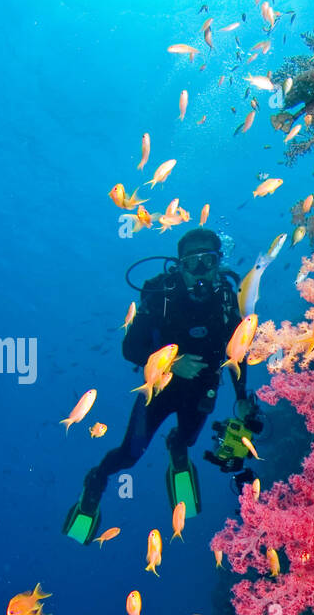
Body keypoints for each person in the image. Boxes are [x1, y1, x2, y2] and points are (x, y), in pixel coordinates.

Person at [64, 228, 259, 543]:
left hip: (202, 392)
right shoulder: (161, 297)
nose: (200, 271)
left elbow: (239, 353)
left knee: (187, 440)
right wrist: (172, 362)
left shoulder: (227, 301)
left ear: (218, 263)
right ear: (179, 265)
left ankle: (176, 448)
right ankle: (96, 480)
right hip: (158, 392)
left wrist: (242, 398)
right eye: (191, 263)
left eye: (207, 262)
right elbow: (130, 349)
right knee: (129, 454)